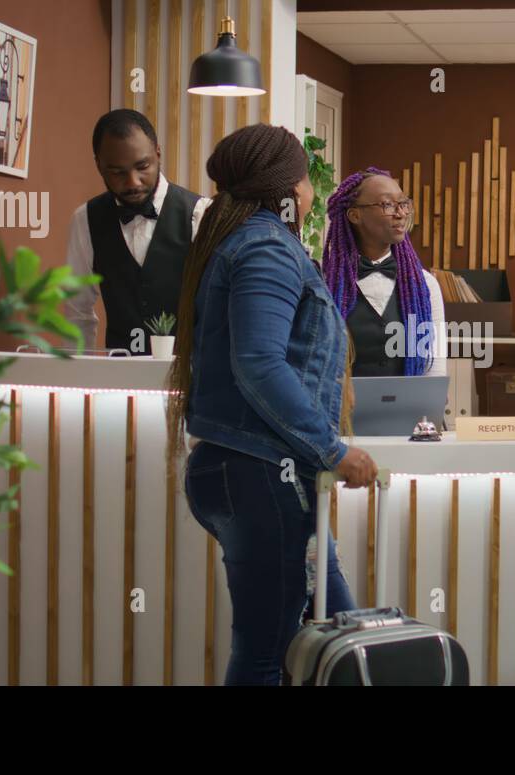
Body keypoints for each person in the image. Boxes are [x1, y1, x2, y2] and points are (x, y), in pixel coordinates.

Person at [165, 124, 378, 685]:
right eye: (306, 180)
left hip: (256, 474)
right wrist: (332, 449)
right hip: (261, 474)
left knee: (332, 638)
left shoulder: (244, 240)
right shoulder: (264, 247)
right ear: (289, 189)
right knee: (271, 655)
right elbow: (259, 365)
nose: (311, 193)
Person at [65, 109, 210, 352]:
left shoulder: (200, 213)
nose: (133, 182)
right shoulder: (85, 219)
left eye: (142, 166)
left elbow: (215, 307)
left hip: (191, 375)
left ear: (158, 154)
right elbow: (77, 310)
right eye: (117, 172)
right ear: (99, 165)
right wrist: (79, 377)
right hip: (120, 378)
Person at [320, 168, 446, 377]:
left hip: (407, 408)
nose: (401, 213)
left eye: (404, 203)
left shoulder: (425, 285)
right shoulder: (326, 284)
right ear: (354, 215)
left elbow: (434, 368)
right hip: (343, 409)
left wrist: (431, 402)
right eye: (387, 204)